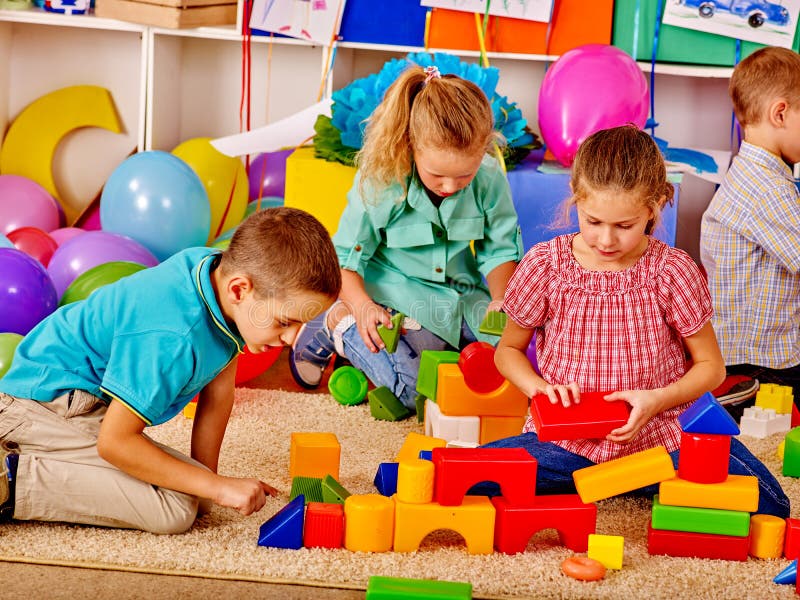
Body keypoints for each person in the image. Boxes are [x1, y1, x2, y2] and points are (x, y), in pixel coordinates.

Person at [486, 125, 789, 518]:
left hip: (663, 439)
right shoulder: (545, 265)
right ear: (576, 199)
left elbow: (711, 368)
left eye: (624, 226)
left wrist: (657, 400)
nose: (607, 240)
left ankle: (635, 480)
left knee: (771, 504)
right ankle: (619, 481)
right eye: (593, 221)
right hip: (568, 444)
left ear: (654, 208)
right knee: (471, 479)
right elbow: (506, 351)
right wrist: (539, 388)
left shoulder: (673, 270)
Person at [0, 207, 341, 532]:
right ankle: (9, 479)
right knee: (174, 509)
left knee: (196, 494)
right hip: (42, 407)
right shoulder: (173, 336)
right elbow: (115, 442)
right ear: (240, 289)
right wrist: (218, 488)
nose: (294, 339)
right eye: (286, 322)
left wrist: (213, 485)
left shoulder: (220, 276)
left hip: (81, 404)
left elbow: (219, 394)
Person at [289, 64, 523, 411]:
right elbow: (344, 260)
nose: (449, 187)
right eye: (437, 175)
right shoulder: (382, 181)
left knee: (504, 363)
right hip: (393, 298)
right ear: (411, 146)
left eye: (464, 176)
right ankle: (336, 323)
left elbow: (499, 249)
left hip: (461, 296)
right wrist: (363, 306)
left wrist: (502, 300)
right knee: (416, 392)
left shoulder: (489, 178)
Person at [700, 46, 800, 412]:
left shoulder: (758, 176)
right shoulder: (767, 188)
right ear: (781, 113)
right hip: (763, 360)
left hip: (752, 351)